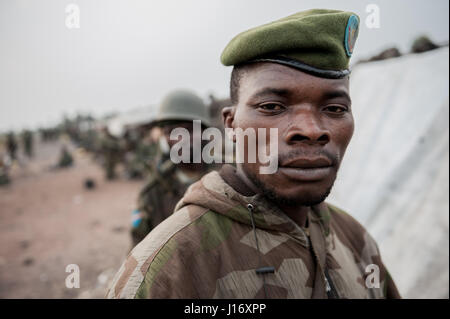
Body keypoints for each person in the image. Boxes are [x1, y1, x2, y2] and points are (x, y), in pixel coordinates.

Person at [107, 9, 400, 299]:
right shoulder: (166, 271)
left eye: (334, 109)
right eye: (272, 106)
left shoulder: (356, 241)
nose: (311, 130)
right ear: (231, 124)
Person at [130, 89, 217, 247]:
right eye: (172, 132)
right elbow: (138, 248)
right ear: (164, 137)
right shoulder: (153, 191)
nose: (181, 139)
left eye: (189, 130)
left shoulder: (230, 177)